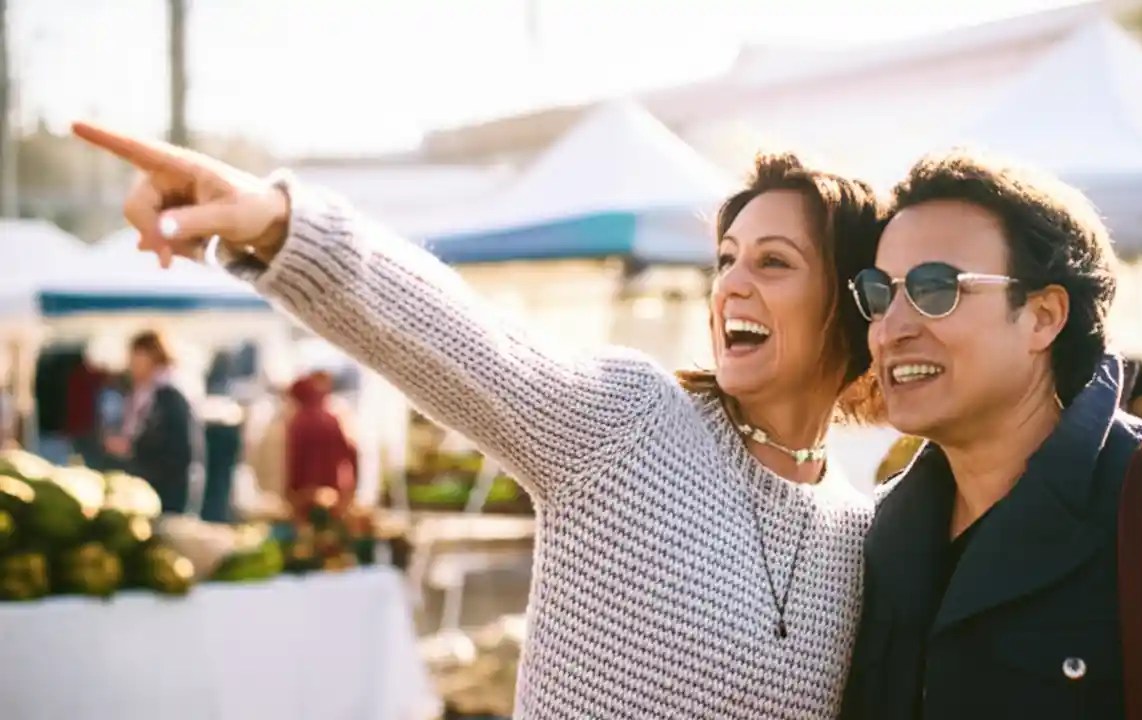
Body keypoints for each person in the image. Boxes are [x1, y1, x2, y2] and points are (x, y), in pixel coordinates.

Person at [75, 122, 884, 719]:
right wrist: (281, 224)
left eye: (774, 261)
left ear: (850, 308)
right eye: (727, 258)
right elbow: (458, 338)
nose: (731, 284)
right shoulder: (633, 423)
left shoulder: (866, 533)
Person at [840, 149, 1142, 719]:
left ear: (1044, 316)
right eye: (879, 293)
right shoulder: (878, 539)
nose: (892, 328)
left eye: (934, 289)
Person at [105, 330, 203, 515]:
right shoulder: (144, 393)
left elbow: (176, 448)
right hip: (153, 486)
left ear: (151, 357)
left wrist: (132, 447)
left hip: (167, 491)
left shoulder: (169, 396)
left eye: (135, 357)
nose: (130, 364)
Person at [285, 372, 358, 517]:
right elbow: (351, 453)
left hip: (304, 491)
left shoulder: (298, 422)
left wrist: (292, 490)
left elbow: (293, 460)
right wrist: (350, 487)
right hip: (333, 489)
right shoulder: (333, 418)